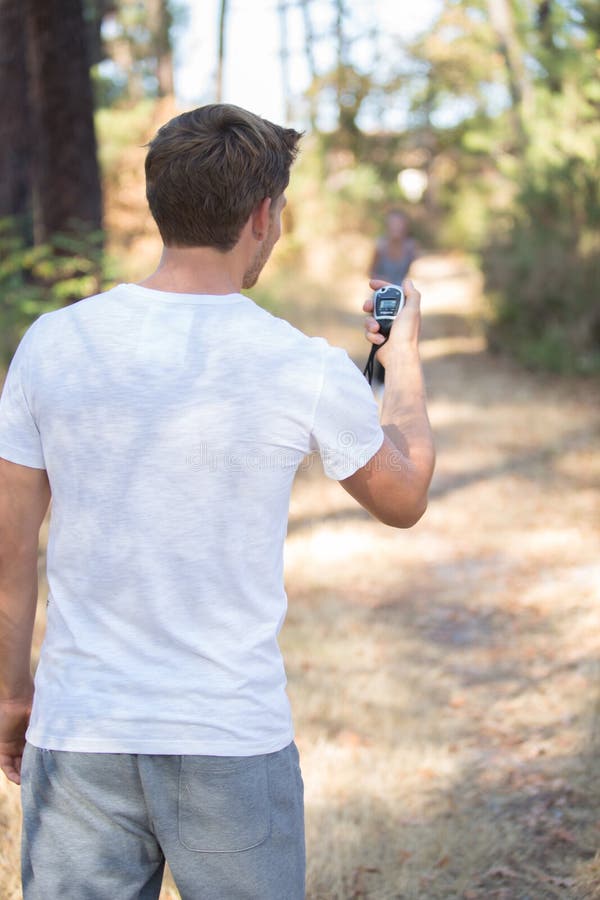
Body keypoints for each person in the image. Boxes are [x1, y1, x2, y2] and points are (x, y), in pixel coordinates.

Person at [0, 104, 435, 900]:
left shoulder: (52, 344)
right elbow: (404, 496)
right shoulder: (296, 362)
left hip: (82, 731)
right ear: (263, 216)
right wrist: (401, 361)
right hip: (229, 739)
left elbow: (10, 551)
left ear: (161, 203)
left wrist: (11, 692)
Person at [369, 209, 419, 388]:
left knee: (398, 339)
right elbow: (370, 271)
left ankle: (393, 380)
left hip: (401, 297)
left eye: (400, 225)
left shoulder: (411, 247)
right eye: (393, 224)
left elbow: (410, 273)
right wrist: (386, 283)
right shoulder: (380, 246)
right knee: (381, 338)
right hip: (382, 296)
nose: (396, 228)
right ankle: (377, 381)